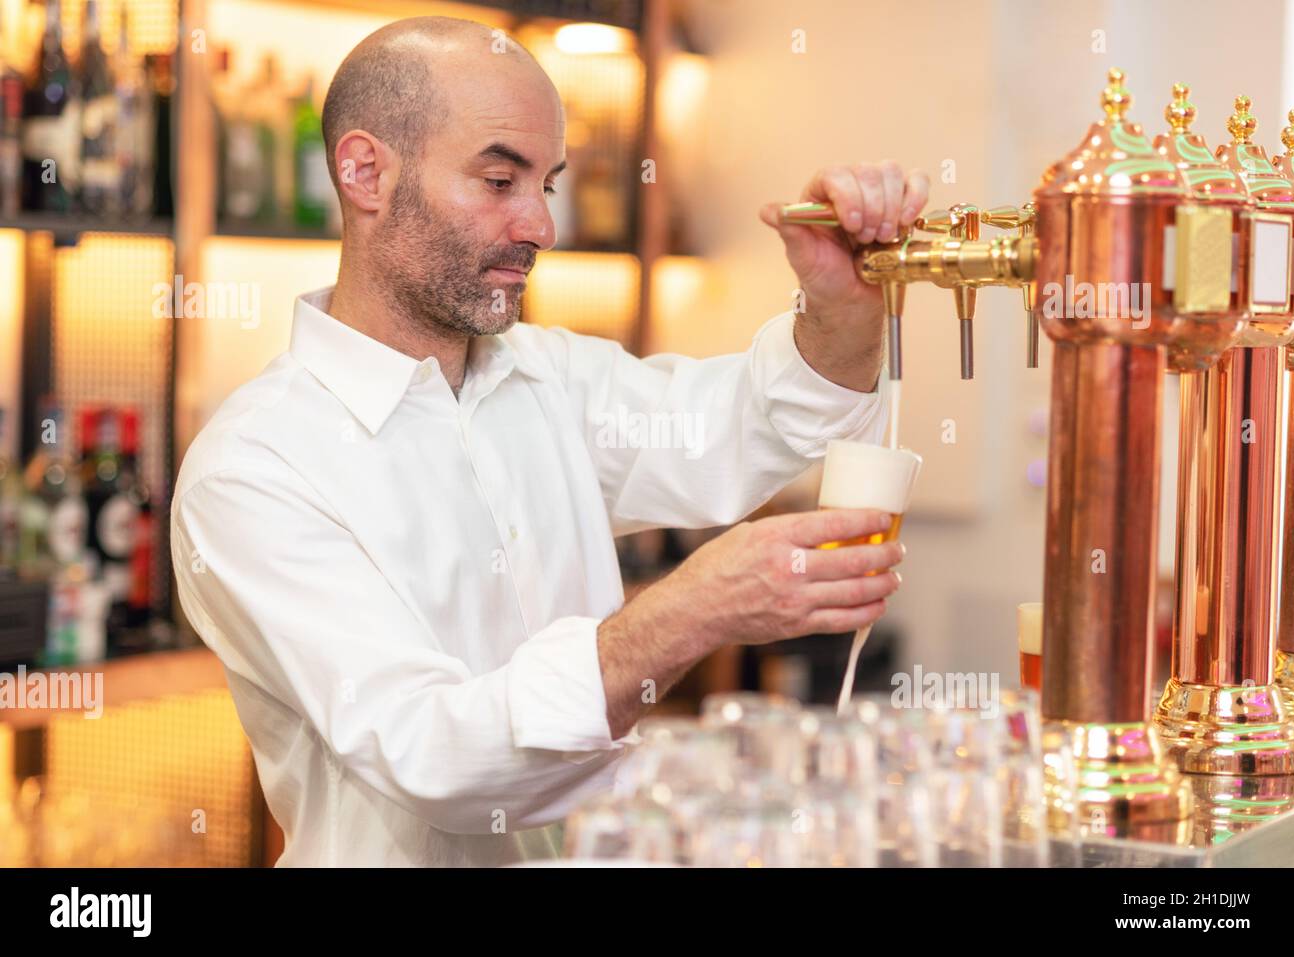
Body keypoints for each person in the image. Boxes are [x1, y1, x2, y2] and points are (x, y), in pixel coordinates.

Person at [171, 16, 928, 866]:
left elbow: (755, 424)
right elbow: (433, 755)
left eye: (548, 185)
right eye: (500, 179)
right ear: (364, 171)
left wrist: (840, 302)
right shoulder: (253, 469)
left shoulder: (548, 379)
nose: (540, 226)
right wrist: (690, 611)